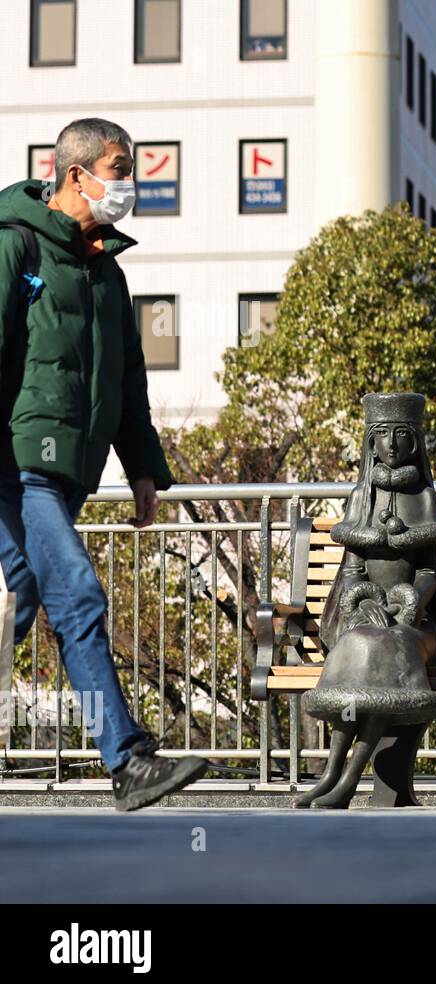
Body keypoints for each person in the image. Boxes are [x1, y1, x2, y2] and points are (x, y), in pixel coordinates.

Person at [0, 118, 210, 811]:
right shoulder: (17, 247)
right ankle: (128, 759)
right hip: (16, 465)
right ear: (75, 175)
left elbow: (127, 381)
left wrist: (144, 466)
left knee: (19, 606)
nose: (128, 185)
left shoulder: (106, 275)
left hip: (69, 472)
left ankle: (127, 761)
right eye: (119, 169)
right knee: (80, 596)